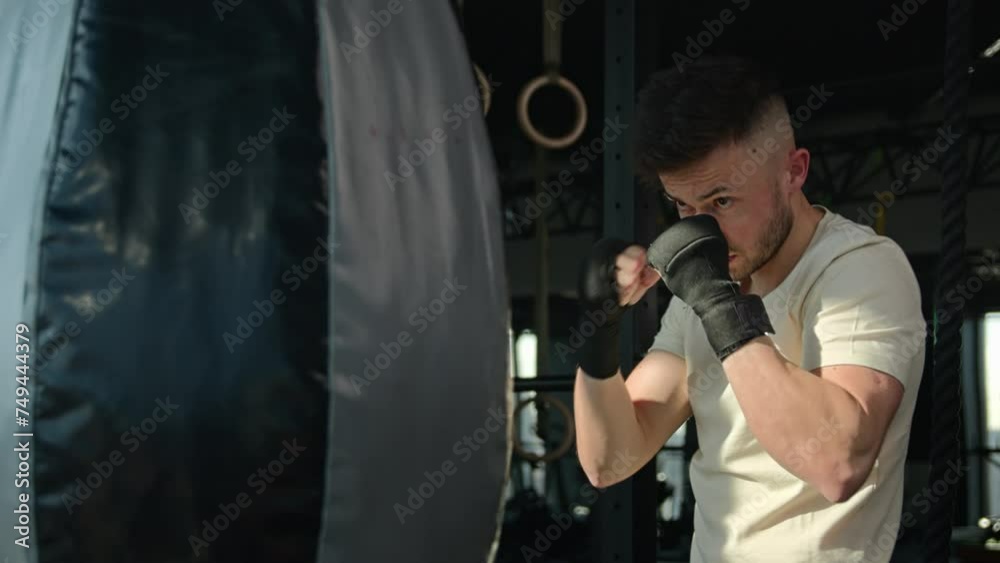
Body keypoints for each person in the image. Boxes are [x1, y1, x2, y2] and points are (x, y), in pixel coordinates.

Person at [572, 56, 927, 563]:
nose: (701, 232)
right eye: (683, 207)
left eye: (721, 201)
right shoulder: (710, 282)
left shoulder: (859, 269)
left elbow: (838, 465)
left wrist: (720, 304)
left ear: (794, 171)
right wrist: (598, 333)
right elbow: (609, 462)